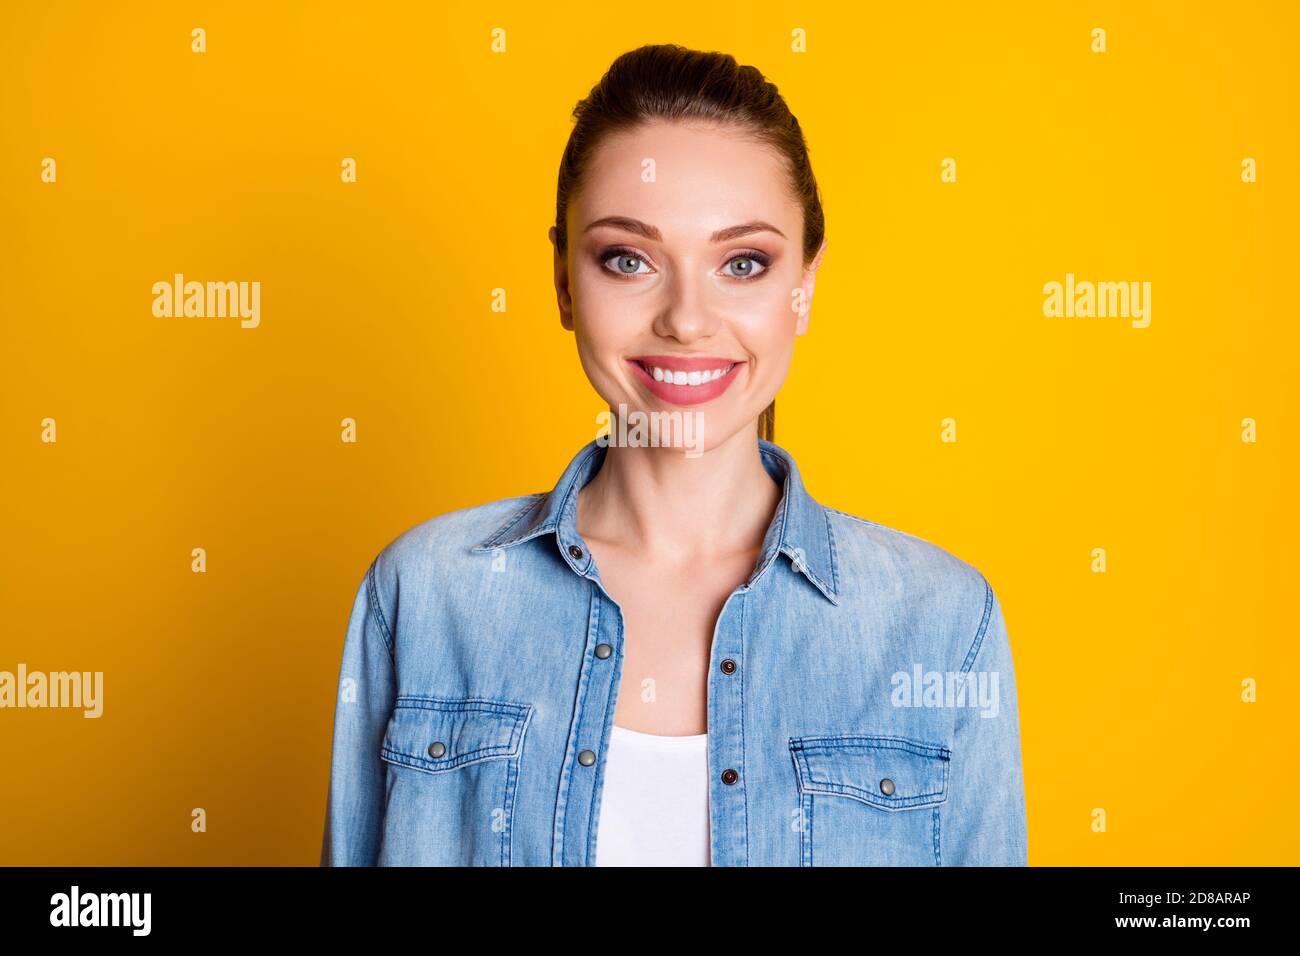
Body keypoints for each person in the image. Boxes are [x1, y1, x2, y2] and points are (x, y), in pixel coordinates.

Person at [321, 42, 1027, 867]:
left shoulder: (941, 623)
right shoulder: (424, 594)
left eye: (743, 263)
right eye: (629, 259)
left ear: (804, 285)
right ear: (562, 278)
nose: (687, 320)